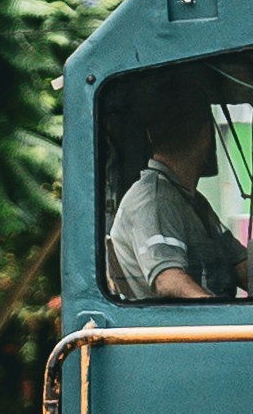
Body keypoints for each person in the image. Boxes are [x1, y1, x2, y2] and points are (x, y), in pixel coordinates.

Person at [102, 83, 239, 302]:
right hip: (178, 332)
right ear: (206, 136)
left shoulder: (193, 201)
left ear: (149, 135)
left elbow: (240, 264)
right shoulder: (154, 199)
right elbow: (168, 281)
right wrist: (228, 320)